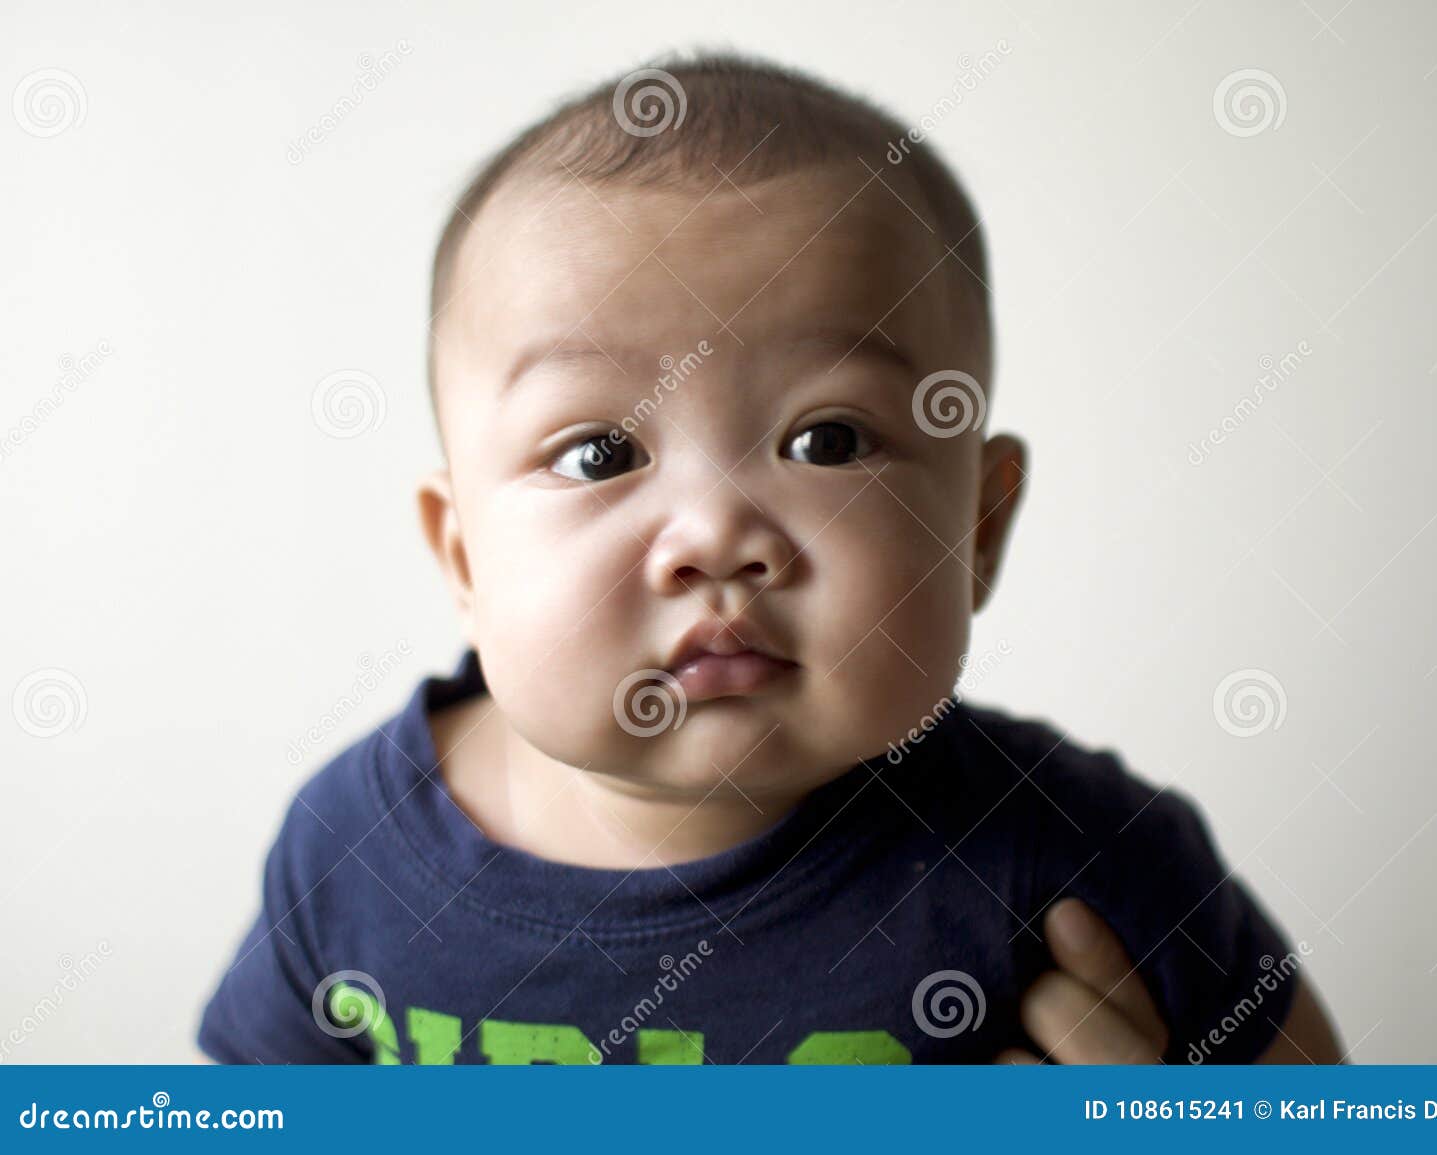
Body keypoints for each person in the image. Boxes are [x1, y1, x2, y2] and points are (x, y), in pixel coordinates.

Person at [198, 51, 1341, 1065]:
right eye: (600, 451)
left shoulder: (1072, 855)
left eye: (826, 440)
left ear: (977, 528)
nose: (715, 538)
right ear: (462, 556)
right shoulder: (357, 858)